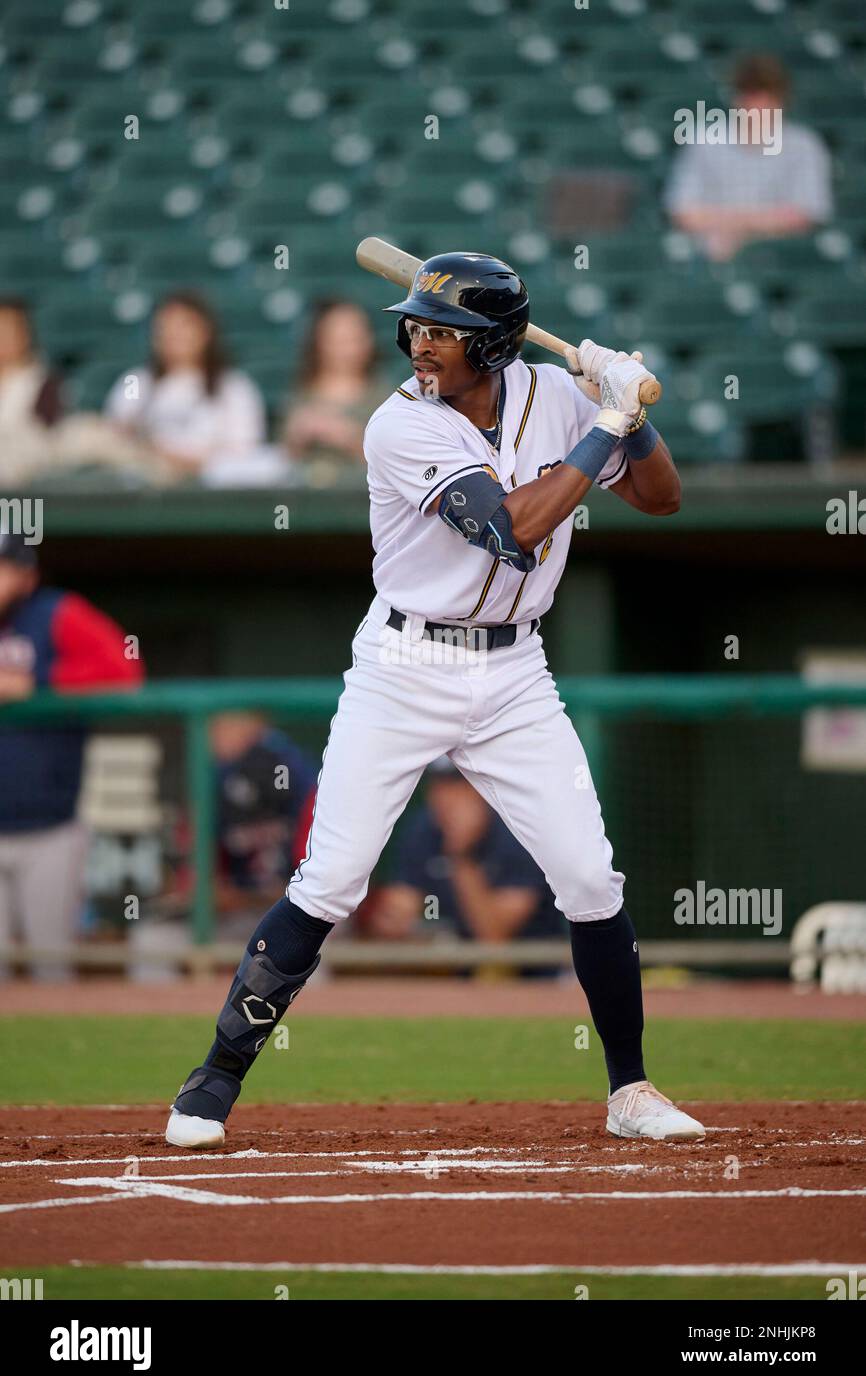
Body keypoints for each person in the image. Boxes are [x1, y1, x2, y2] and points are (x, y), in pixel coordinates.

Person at [165, 250, 704, 1150]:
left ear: (493, 347)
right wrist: (609, 416)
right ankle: (214, 1080)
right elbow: (514, 532)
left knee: (589, 877)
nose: (419, 342)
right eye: (414, 325)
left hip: (514, 675)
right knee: (332, 878)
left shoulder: (558, 399)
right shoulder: (399, 425)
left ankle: (630, 1089)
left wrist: (628, 411)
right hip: (404, 667)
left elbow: (663, 497)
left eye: (442, 332)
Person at [0, 534, 143, 978]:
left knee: (51, 966)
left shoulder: (56, 612)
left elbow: (125, 666)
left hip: (51, 828)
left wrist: (40, 680)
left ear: (27, 575)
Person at [370, 756, 564, 956]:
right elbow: (408, 909)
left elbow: (494, 938)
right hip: (456, 972)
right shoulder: (423, 829)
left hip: (534, 972)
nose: (445, 797)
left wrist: (460, 856)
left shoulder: (517, 831)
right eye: (438, 785)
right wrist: (405, 919)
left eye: (459, 785)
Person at [665, 54, 833, 261]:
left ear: (781, 101)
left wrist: (737, 230)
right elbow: (683, 212)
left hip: (782, 257)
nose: (758, 108)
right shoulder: (705, 140)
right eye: (750, 96)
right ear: (737, 98)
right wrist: (757, 223)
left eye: (767, 98)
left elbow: (806, 214)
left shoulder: (804, 144)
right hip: (712, 256)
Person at [104, 291, 266, 484]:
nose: (174, 334)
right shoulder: (137, 382)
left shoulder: (233, 386)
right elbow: (115, 433)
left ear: (205, 331)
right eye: (165, 327)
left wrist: (176, 458)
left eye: (184, 326)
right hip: (143, 477)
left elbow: (243, 455)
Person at [210, 712, 317, 924]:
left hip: (300, 914)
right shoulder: (213, 781)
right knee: (153, 937)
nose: (215, 739)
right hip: (236, 916)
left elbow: (321, 883)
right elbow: (200, 882)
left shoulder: (304, 779)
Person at [282, 300, 389, 486]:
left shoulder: (385, 398)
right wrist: (298, 435)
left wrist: (347, 436)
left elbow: (395, 463)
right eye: (337, 340)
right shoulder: (302, 394)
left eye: (353, 339)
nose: (346, 350)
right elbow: (283, 460)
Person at [0, 299, 64, 485]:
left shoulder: (44, 383)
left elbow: (45, 441)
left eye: (8, 330)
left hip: (24, 477)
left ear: (25, 334)